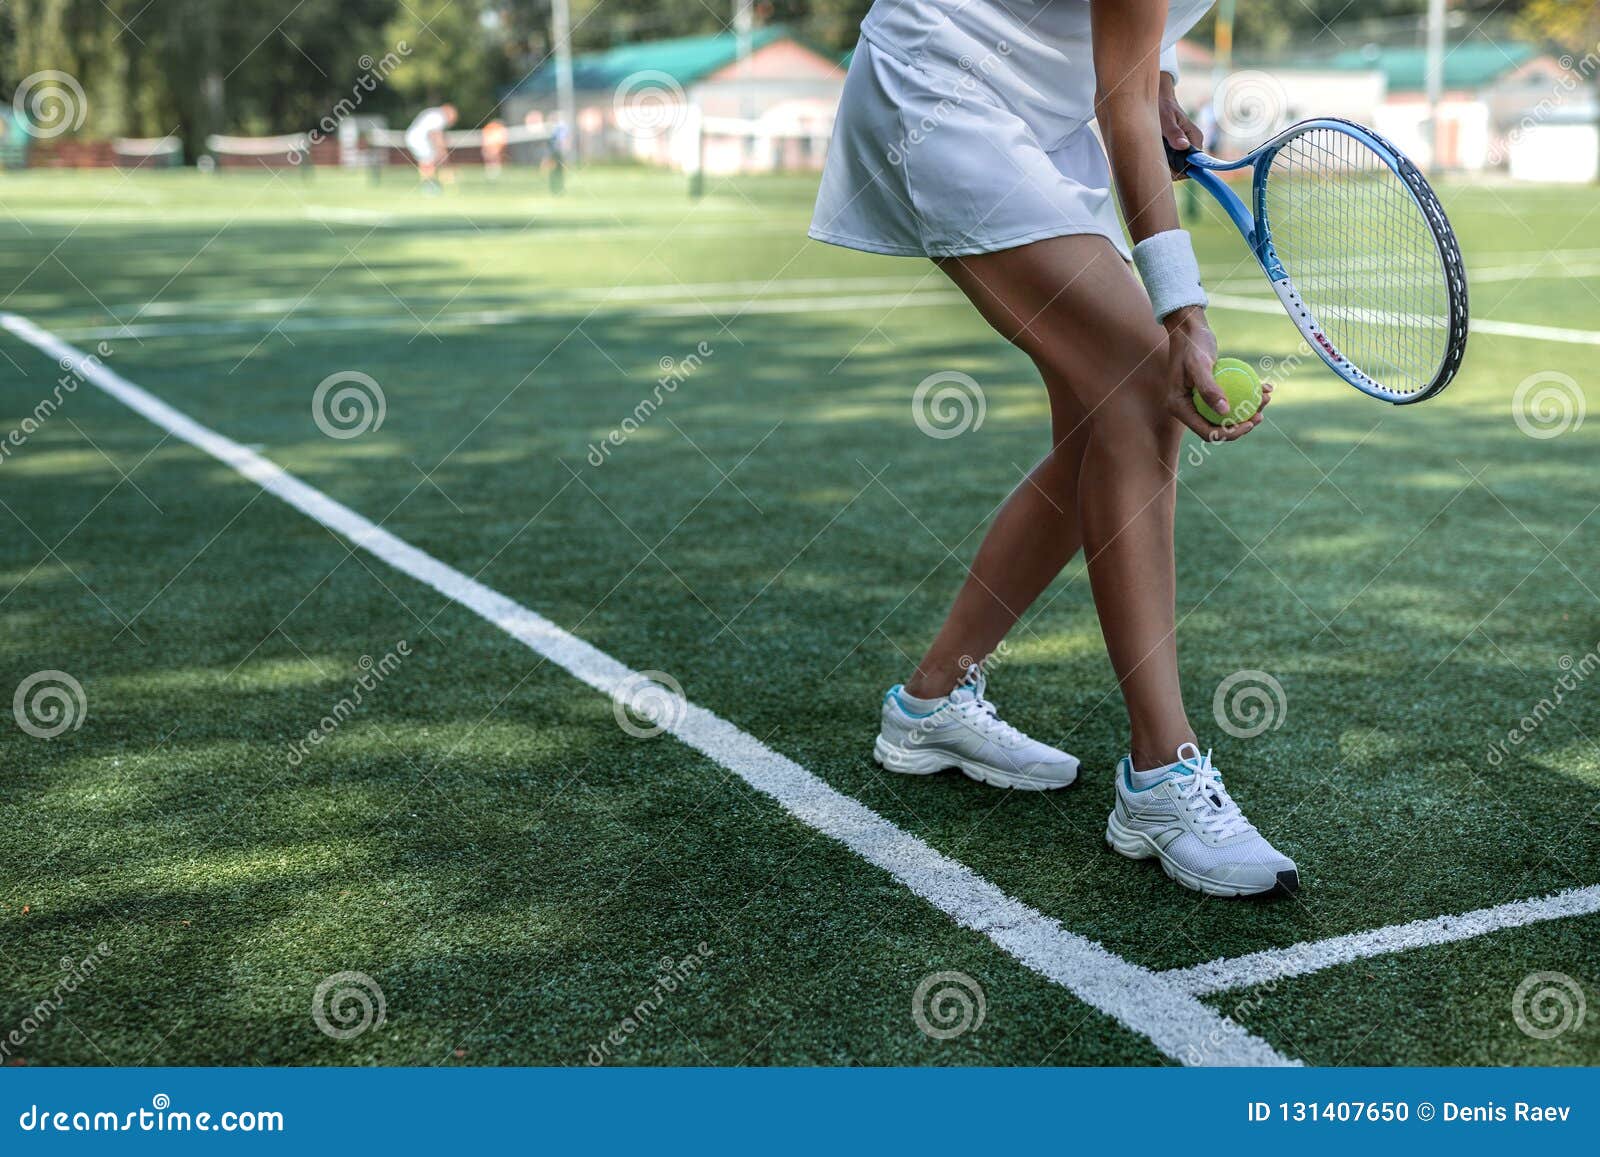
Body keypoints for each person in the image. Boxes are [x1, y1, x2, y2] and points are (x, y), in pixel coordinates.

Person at [810, 0, 1298, 897]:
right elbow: (1117, 98)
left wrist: (1157, 80)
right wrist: (1182, 313)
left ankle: (930, 703)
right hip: (944, 87)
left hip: (1050, 113)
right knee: (1141, 388)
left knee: (1095, 437)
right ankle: (1160, 769)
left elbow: (1128, 46)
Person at [405, 102, 458, 192]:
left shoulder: (434, 112)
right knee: (428, 162)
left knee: (427, 162)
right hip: (419, 139)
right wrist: (442, 151)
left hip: (416, 138)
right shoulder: (440, 117)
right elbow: (435, 134)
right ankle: (430, 187)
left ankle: (429, 185)